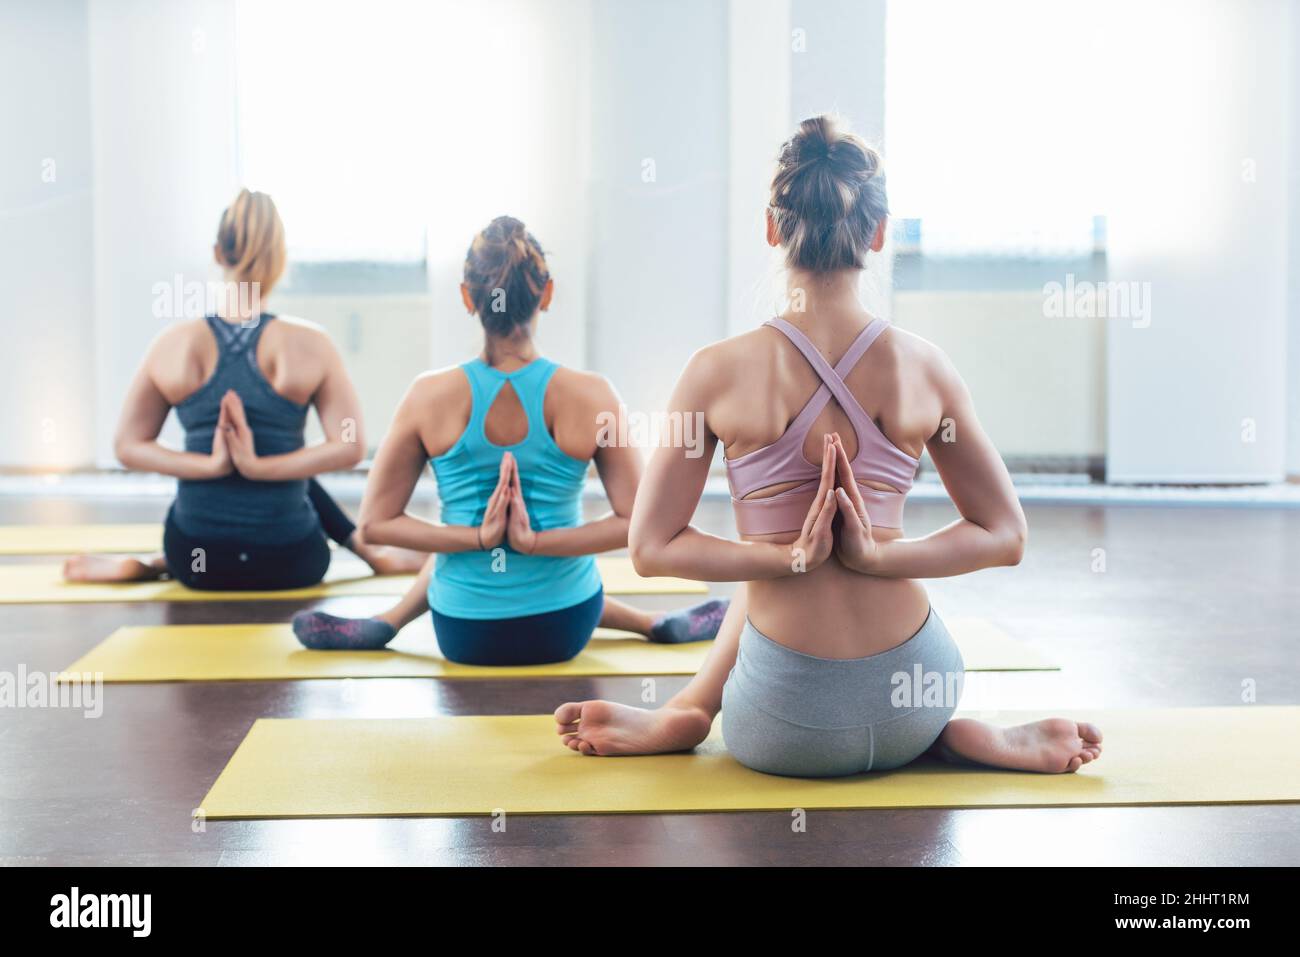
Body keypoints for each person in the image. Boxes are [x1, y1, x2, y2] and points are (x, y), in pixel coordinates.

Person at [554, 117, 1103, 776]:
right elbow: (1006, 534)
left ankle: (692, 708)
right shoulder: (926, 367)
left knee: (761, 569)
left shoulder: (715, 370)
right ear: (877, 232)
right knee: (771, 571)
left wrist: (787, 557)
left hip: (784, 723)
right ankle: (949, 735)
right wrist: (878, 556)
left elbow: (649, 548)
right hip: (917, 694)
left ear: (771, 227)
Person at [291, 216, 727, 660]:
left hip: (464, 632)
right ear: (547, 293)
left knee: (454, 552)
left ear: (467, 297)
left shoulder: (426, 396)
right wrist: (536, 543)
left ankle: (390, 619)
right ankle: (650, 622)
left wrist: (478, 538)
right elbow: (639, 524)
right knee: (556, 570)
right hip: (565, 624)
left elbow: (375, 524)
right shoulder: (594, 395)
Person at [62, 189, 423, 590]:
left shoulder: (173, 344)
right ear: (281, 257)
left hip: (197, 563)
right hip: (290, 562)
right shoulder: (312, 343)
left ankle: (157, 562)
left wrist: (210, 465)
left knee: (258, 475)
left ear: (218, 253)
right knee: (291, 464)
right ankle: (370, 550)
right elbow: (350, 446)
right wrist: (261, 467)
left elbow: (128, 446)